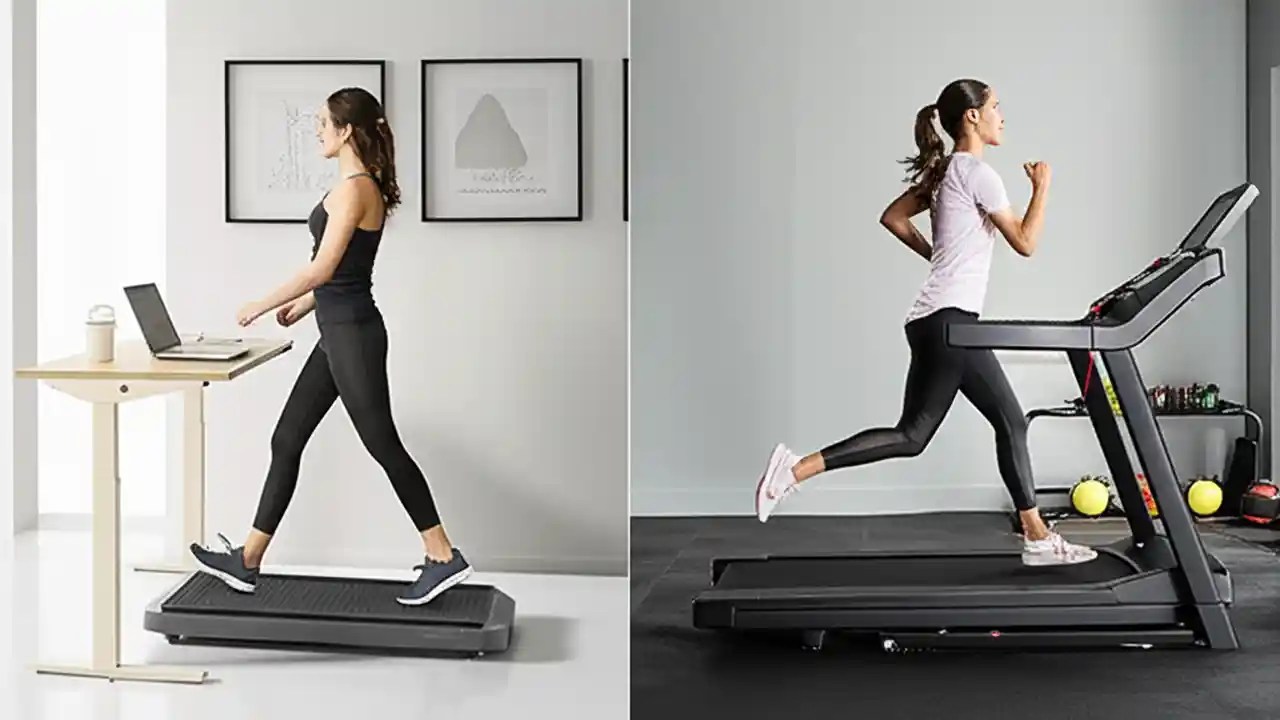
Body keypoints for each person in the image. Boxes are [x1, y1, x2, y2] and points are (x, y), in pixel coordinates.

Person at [754, 78, 1097, 567]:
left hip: (931, 320)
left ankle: (795, 468)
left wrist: (938, 255)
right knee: (1010, 422)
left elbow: (894, 217)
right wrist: (1042, 188)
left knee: (913, 436)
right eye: (996, 106)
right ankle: (1037, 536)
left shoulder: (944, 173)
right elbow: (1025, 241)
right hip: (953, 323)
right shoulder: (979, 174)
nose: (1003, 115)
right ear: (972, 117)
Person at [189, 86, 473, 605]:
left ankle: (442, 554)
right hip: (337, 330)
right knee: (287, 437)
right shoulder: (352, 187)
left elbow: (323, 268)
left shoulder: (356, 188)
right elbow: (342, 276)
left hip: (355, 337)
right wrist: (303, 307)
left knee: (382, 444)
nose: (317, 130)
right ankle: (248, 560)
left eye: (323, 123)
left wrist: (261, 302)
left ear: (346, 131)